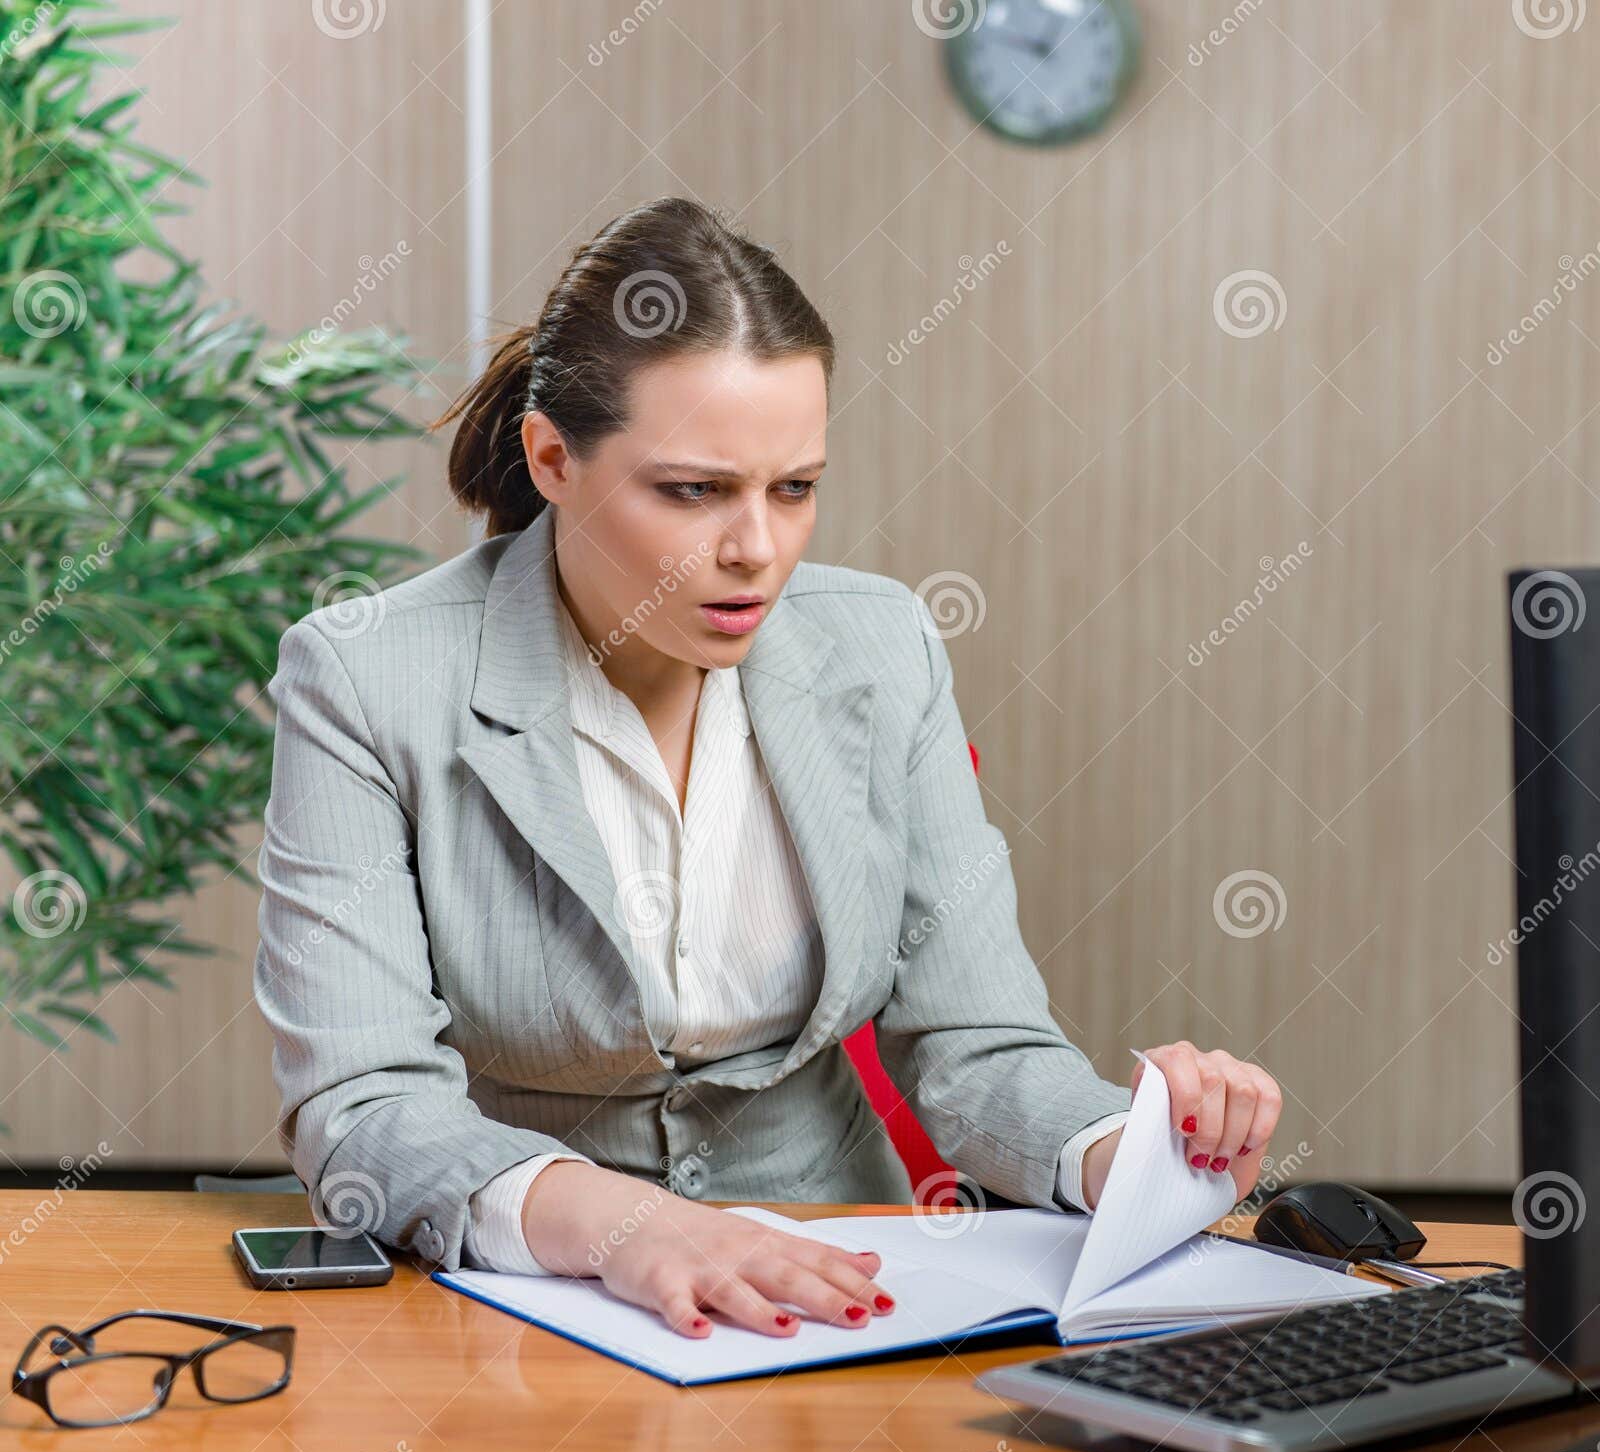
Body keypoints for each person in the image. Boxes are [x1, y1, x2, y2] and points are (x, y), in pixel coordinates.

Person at [254, 194, 1282, 1343]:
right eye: (692, 491)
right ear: (552, 458)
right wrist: (630, 1229)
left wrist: (1130, 1155)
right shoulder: (367, 677)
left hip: (844, 1281)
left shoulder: (882, 646)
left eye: (793, 488)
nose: (756, 549)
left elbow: (975, 1043)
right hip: (522, 1292)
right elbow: (362, 1104)